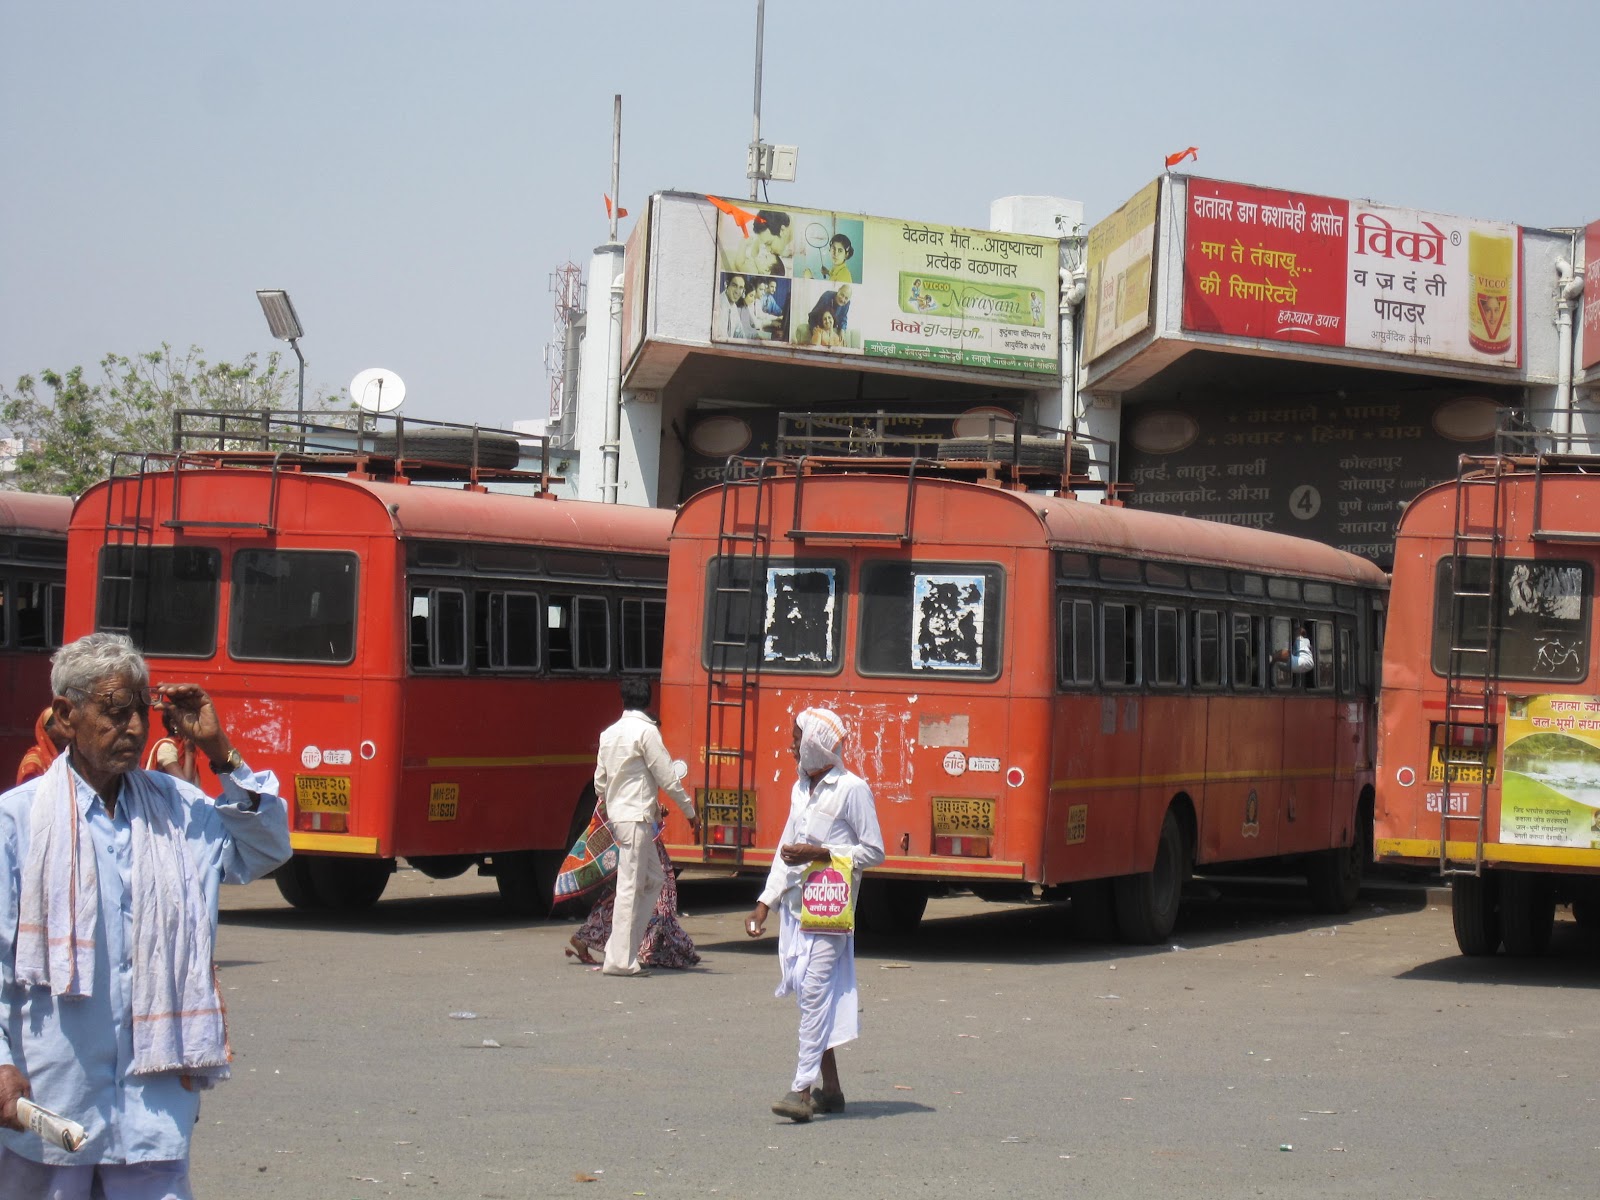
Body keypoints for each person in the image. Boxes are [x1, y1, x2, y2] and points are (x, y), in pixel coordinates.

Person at [0, 631, 290, 1197]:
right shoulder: (18, 822)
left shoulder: (180, 810)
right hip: (51, 1095)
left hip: (152, 1107)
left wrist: (219, 751)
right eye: (114, 712)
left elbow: (267, 849)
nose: (133, 728)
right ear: (65, 714)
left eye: (140, 711)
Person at [746, 707, 884, 1123]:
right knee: (810, 993)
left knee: (813, 991)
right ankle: (833, 1090)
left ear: (813, 745)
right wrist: (764, 903)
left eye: (795, 738)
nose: (790, 745)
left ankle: (801, 1090)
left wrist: (823, 853)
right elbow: (786, 848)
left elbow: (874, 851)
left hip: (830, 909)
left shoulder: (853, 789)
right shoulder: (799, 788)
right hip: (794, 907)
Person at [592, 676, 696, 977]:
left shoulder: (608, 734)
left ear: (623, 699)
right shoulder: (646, 732)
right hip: (636, 818)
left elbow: (600, 783)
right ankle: (619, 961)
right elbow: (667, 776)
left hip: (620, 816)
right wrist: (690, 812)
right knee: (630, 888)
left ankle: (622, 951)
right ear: (648, 700)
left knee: (652, 880)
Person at [565, 830, 700, 970]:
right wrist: (689, 815)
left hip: (642, 834)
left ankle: (588, 936)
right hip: (638, 834)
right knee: (649, 895)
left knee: (633, 895)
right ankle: (644, 950)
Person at [144, 706, 202, 786]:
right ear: (173, 724)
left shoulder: (185, 746)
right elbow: (185, 785)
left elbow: (196, 788)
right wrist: (189, 752)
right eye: (189, 719)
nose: (194, 724)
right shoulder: (166, 747)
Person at [14, 706, 64, 785]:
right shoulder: (34, 762)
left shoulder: (69, 757)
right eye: (60, 724)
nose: (65, 729)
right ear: (47, 730)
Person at [717, 274, 756, 340]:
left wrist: (758, 336)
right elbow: (722, 339)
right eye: (734, 285)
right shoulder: (718, 304)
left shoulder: (733, 306)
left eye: (741, 288)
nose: (737, 291)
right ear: (726, 284)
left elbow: (739, 333)